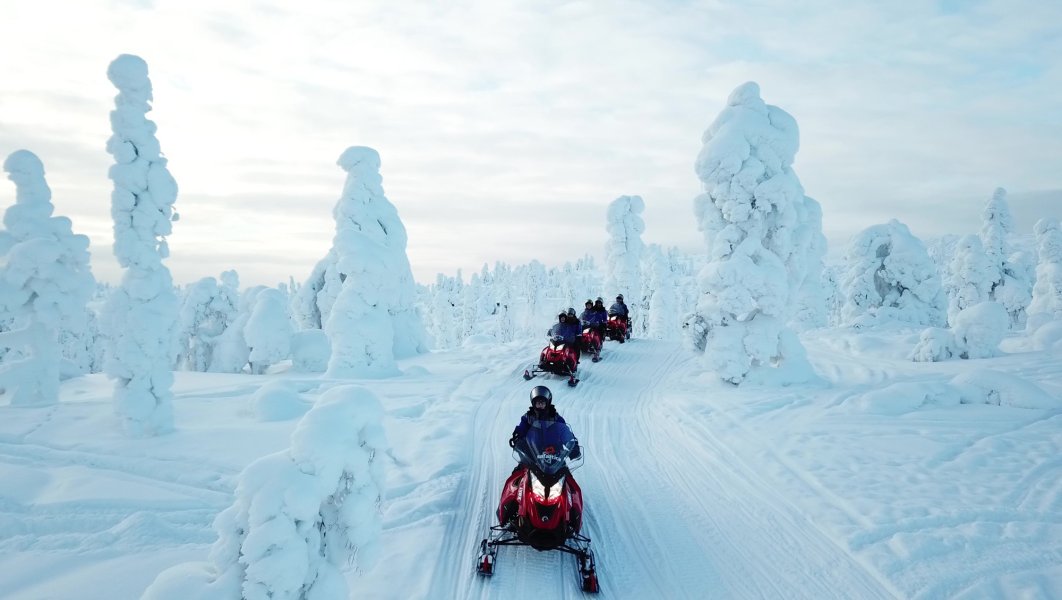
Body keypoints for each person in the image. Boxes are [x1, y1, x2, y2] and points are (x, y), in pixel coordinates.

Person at [509, 385, 581, 460]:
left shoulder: (555, 417)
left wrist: (573, 446)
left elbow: (565, 432)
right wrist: (517, 435)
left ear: (547, 403)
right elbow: (522, 428)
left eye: (542, 403)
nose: (540, 405)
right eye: (538, 403)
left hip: (554, 453)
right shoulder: (528, 417)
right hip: (532, 453)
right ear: (534, 404)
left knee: (564, 471)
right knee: (520, 469)